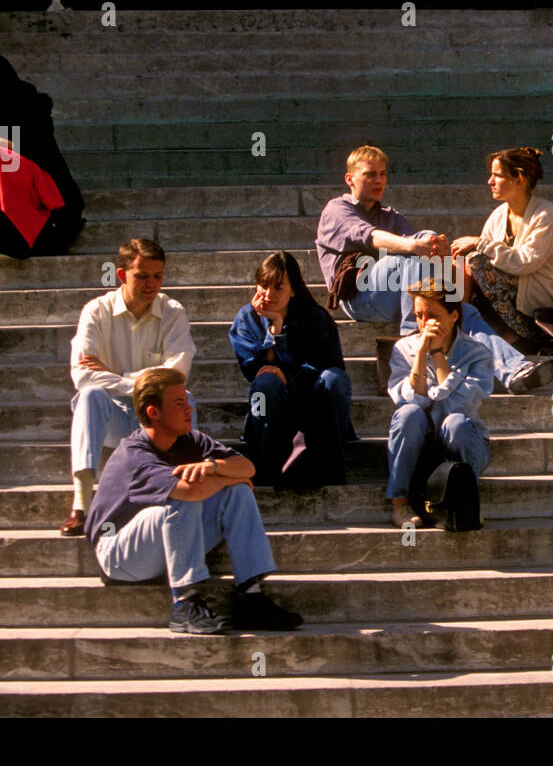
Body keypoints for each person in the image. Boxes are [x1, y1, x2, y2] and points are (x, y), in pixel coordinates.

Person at [315, 143, 553, 394]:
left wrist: (438, 248)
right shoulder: (338, 209)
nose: (379, 180)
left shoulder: (389, 214)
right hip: (360, 296)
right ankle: (414, 336)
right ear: (350, 179)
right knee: (409, 256)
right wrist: (416, 246)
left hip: (400, 292)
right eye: (370, 174)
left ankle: (516, 371)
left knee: (460, 310)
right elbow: (371, 237)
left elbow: (423, 247)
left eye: (382, 174)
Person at [85, 367, 302, 634]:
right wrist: (228, 477)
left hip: (161, 545)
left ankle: (251, 597)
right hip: (119, 555)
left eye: (187, 401)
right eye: (179, 404)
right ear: (154, 413)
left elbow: (247, 468)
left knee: (239, 492)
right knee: (181, 499)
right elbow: (189, 492)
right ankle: (184, 604)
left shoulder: (190, 440)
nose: (189, 409)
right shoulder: (134, 454)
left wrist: (213, 467)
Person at [62, 238, 197, 537]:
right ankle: (82, 502)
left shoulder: (173, 311)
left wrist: (117, 375)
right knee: (89, 395)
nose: (152, 284)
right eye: (142, 276)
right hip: (111, 417)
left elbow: (177, 375)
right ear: (122, 275)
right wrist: (143, 380)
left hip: (152, 417)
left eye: (158, 276)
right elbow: (82, 375)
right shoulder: (96, 311)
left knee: (183, 398)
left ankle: (183, 495)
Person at [228, 251, 353, 489]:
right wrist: (274, 330)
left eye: (278, 287)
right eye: (263, 285)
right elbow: (252, 369)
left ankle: (331, 468)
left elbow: (328, 365)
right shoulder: (246, 319)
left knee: (334, 379)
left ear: (293, 290)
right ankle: (266, 466)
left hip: (311, 405)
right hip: (266, 407)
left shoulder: (316, 318)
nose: (268, 294)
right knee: (264, 384)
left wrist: (290, 378)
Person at [386, 281, 493, 527]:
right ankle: (399, 504)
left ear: (454, 315)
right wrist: (421, 354)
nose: (424, 324)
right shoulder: (404, 349)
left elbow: (459, 406)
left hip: (461, 440)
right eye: (419, 316)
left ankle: (466, 502)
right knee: (408, 415)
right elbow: (409, 400)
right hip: (418, 443)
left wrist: (437, 355)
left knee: (457, 422)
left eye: (433, 315)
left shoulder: (477, 353)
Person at [0, 51, 85, 259]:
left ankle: (12, 240)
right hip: (4, 188)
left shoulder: (28, 102)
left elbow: (33, 147)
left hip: (44, 189)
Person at [449, 146, 553, 350]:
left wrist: (478, 242)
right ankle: (460, 328)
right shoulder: (499, 214)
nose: (490, 181)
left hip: (540, 304)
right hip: (508, 295)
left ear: (519, 179)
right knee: (458, 262)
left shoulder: (546, 215)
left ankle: (465, 329)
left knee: (473, 261)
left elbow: (525, 262)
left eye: (497, 175)